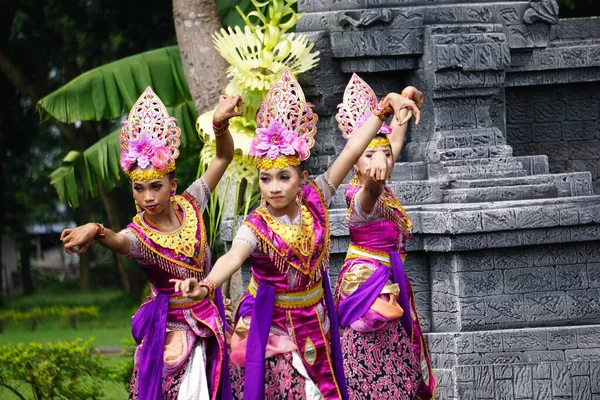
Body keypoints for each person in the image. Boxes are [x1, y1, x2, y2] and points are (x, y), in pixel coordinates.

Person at [171, 69, 420, 400]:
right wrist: (206, 285)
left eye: (283, 177)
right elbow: (232, 257)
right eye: (266, 179)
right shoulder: (256, 226)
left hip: (317, 321)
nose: (274, 188)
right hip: (274, 331)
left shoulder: (316, 199)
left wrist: (384, 108)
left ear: (301, 178)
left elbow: (350, 152)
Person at [60, 87, 242, 400]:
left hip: (212, 324)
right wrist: (95, 229)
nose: (148, 197)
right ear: (132, 191)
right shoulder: (139, 236)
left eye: (156, 187)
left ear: (172, 185)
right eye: (139, 188)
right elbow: (117, 240)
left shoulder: (193, 203)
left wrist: (220, 125)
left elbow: (224, 156)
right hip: (173, 339)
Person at [334, 74, 436, 399]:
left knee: (397, 361)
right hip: (366, 286)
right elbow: (372, 187)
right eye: (369, 154)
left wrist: (403, 102)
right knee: (366, 363)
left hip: (390, 278)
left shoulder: (383, 169)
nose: (383, 159)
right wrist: (375, 171)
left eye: (386, 155)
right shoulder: (361, 196)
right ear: (355, 161)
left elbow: (394, 144)